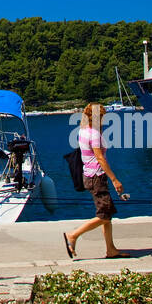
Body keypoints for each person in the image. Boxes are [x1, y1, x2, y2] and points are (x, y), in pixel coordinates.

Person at [63, 102, 130, 260]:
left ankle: (111, 249)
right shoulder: (93, 133)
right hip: (96, 177)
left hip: (90, 176)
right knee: (105, 215)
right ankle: (73, 235)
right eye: (103, 116)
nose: (105, 119)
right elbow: (100, 158)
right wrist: (115, 180)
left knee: (106, 214)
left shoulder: (83, 131)